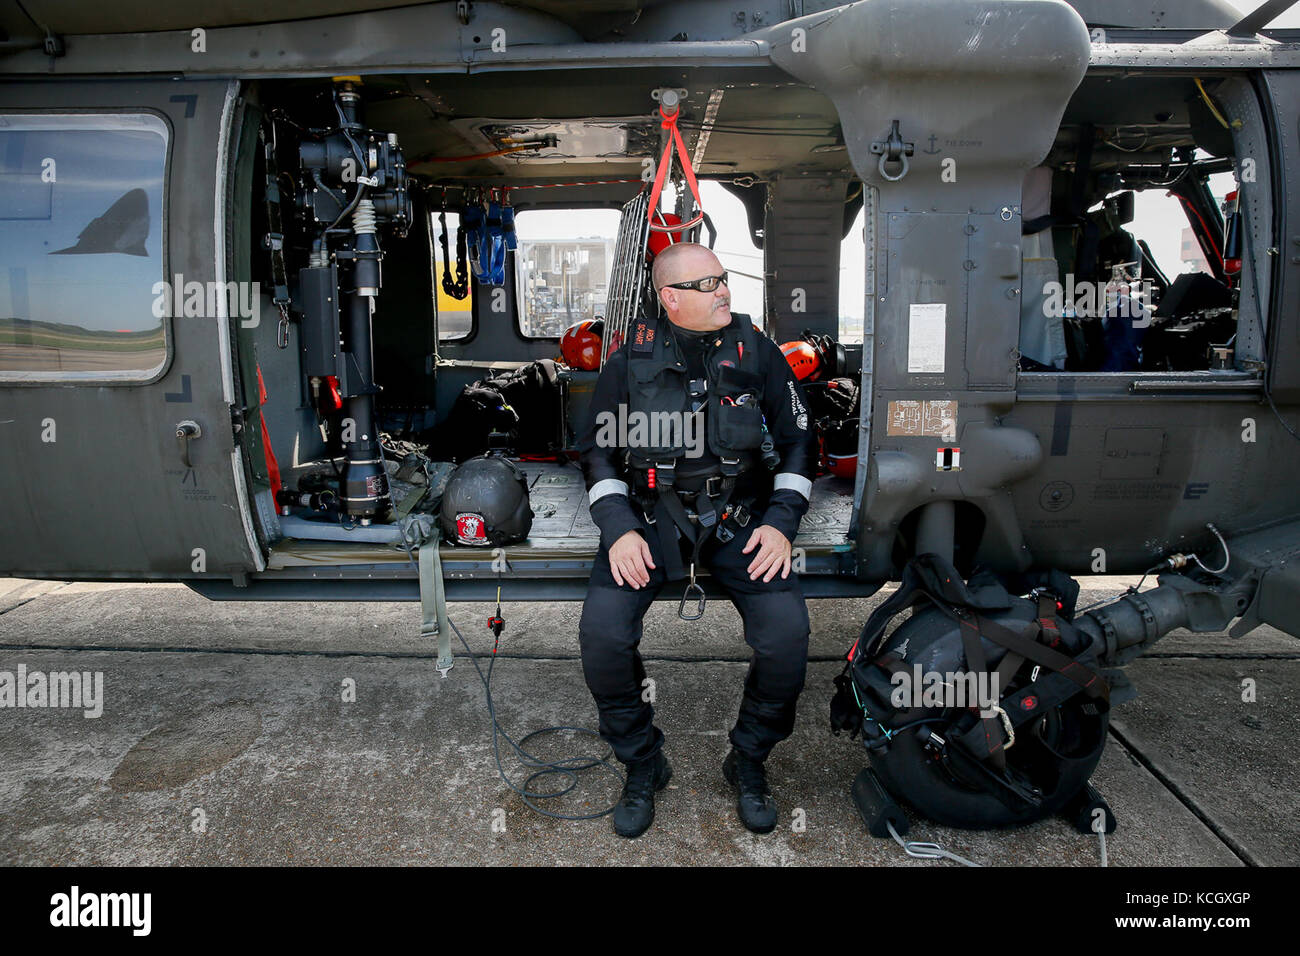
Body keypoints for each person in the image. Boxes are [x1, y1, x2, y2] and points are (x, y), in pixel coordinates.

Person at [577, 242, 817, 838]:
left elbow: (798, 442)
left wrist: (781, 522)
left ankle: (750, 760)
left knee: (787, 639)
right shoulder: (627, 361)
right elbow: (597, 452)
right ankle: (641, 762)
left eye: (724, 280)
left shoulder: (755, 349)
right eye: (708, 284)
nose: (724, 293)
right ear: (670, 298)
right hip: (651, 522)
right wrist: (618, 529)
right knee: (603, 638)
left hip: (739, 520)